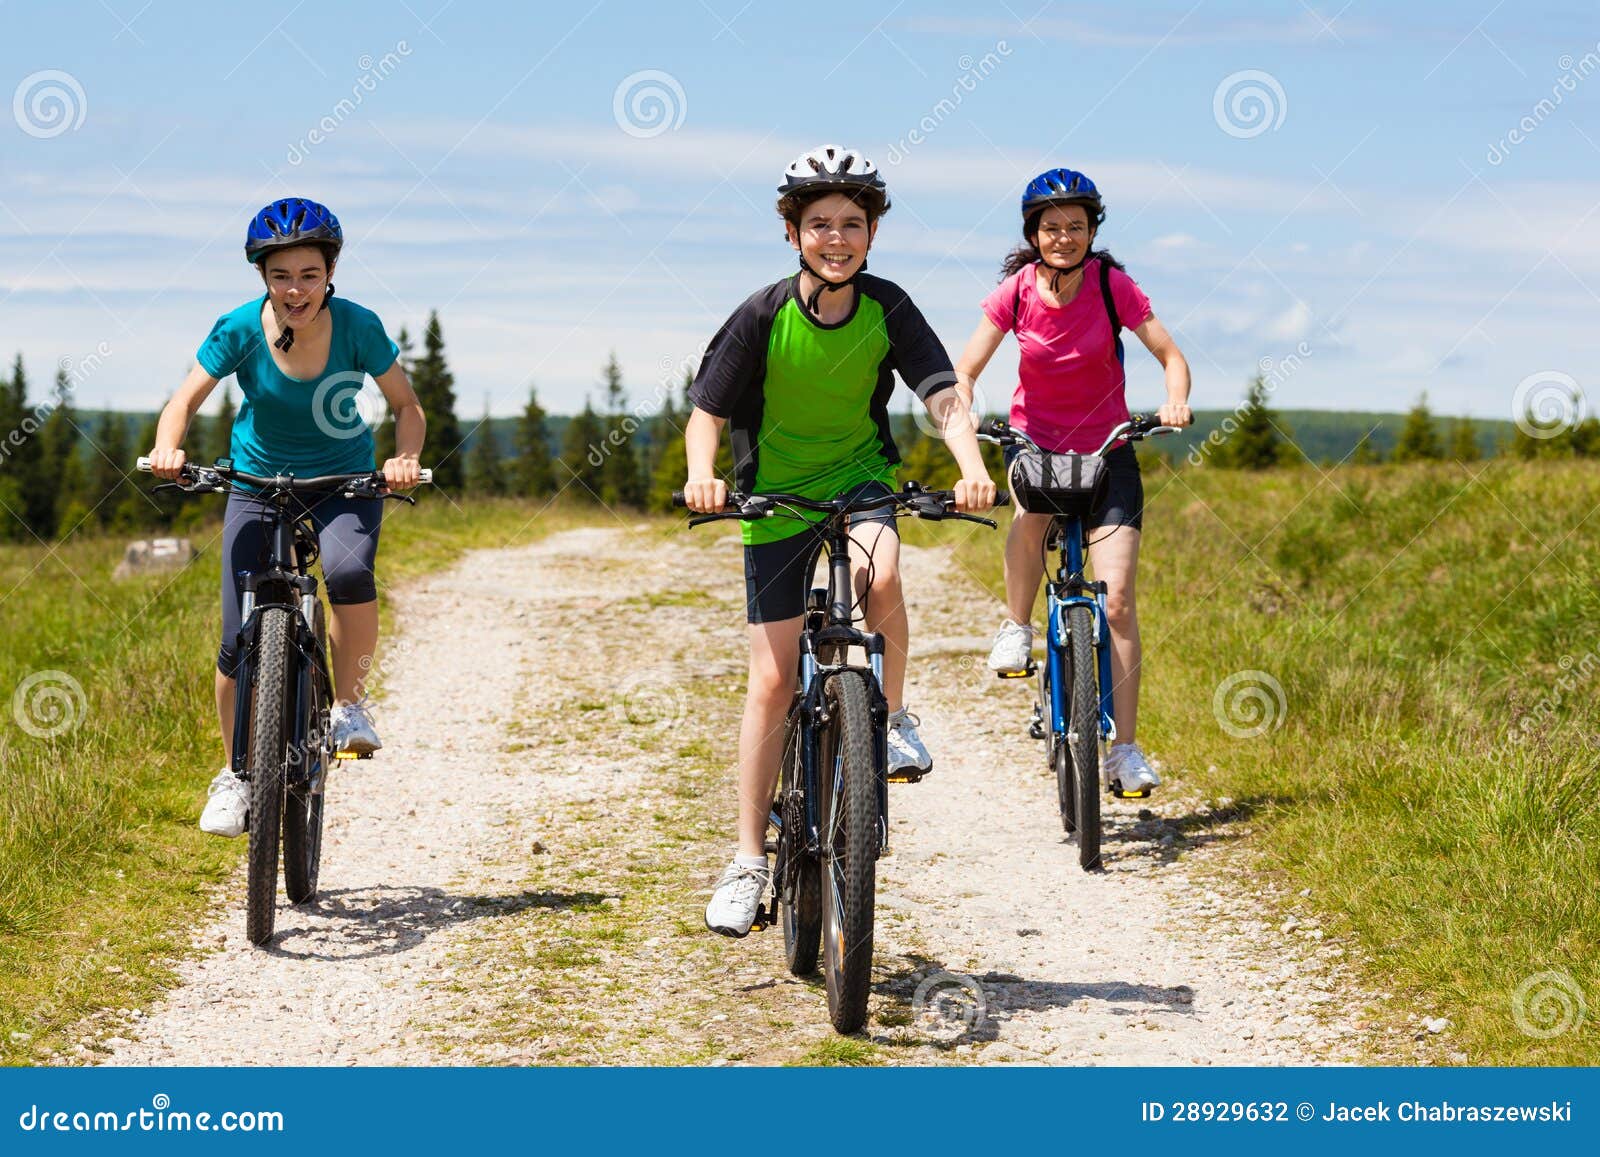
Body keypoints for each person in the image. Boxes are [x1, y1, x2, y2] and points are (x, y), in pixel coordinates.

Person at [683, 146, 997, 937]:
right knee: (771, 680)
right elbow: (707, 415)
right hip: (774, 496)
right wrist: (703, 474)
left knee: (881, 577)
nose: (836, 238)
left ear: (873, 232)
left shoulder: (888, 306)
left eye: (852, 224)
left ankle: (886, 718)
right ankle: (749, 860)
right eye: (819, 223)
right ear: (792, 232)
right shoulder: (762, 314)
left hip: (859, 480)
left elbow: (943, 395)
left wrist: (971, 465)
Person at [146, 197, 426, 837]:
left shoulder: (359, 326)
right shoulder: (241, 327)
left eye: (307, 274)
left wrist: (404, 457)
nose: (294, 288)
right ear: (263, 278)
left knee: (349, 573)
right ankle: (236, 776)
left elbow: (407, 406)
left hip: (342, 481)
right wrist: (169, 447)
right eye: (280, 276)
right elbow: (183, 399)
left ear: (329, 272)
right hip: (256, 479)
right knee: (234, 639)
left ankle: (348, 708)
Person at [954, 167, 1192, 795]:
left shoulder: (1113, 286)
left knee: (1115, 602)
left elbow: (1171, 355)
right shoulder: (1017, 291)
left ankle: (1126, 750)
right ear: (1034, 232)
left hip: (1108, 448)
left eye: (1076, 227)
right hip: (1036, 443)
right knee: (1030, 520)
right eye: (1052, 227)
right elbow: (966, 366)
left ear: (1092, 230)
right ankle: (1018, 626)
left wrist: (1174, 400)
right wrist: (966, 400)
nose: (1064, 237)